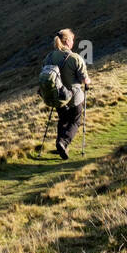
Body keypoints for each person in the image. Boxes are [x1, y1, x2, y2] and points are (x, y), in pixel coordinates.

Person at [43, 28, 91, 158]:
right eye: (72, 40)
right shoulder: (75, 58)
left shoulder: (50, 57)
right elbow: (83, 78)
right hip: (74, 97)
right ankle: (63, 142)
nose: (73, 42)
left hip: (58, 96)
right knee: (75, 121)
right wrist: (88, 81)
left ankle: (60, 145)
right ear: (67, 41)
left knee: (63, 120)